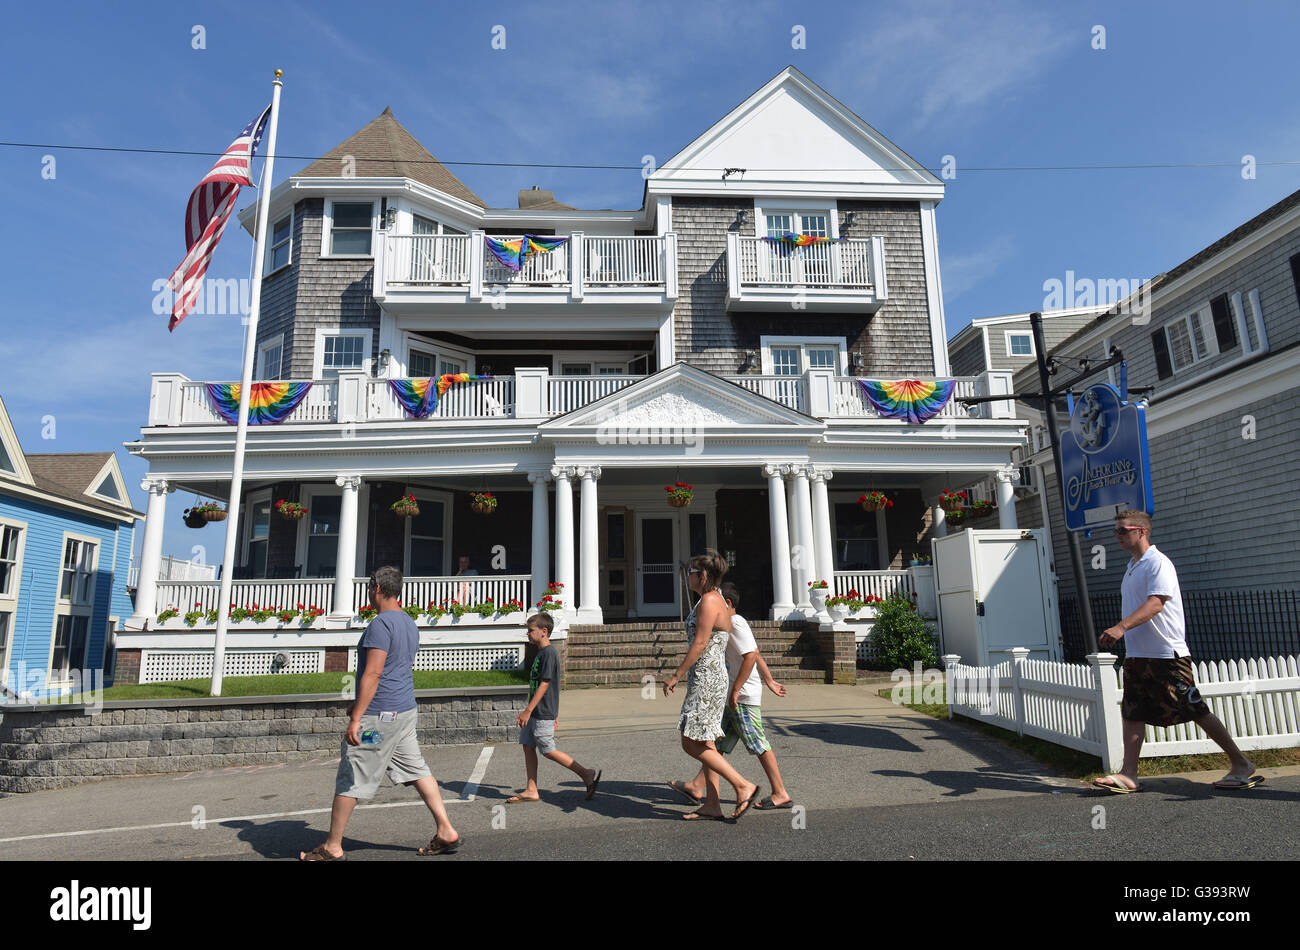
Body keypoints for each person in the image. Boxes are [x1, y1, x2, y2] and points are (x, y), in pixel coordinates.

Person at [300, 566, 460, 860]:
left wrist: (358, 717)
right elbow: (394, 669)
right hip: (404, 713)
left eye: (369, 588)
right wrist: (359, 702)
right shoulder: (409, 622)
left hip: (380, 721)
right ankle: (446, 829)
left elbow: (373, 673)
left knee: (352, 772)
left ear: (376, 588)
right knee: (416, 770)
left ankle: (333, 847)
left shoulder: (380, 624)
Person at [1094, 511, 1261, 793]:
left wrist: (1121, 628)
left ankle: (1241, 764)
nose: (1117, 536)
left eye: (1122, 531)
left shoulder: (1158, 563)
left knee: (1194, 709)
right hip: (1138, 655)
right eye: (1116, 531)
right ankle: (1128, 774)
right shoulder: (1133, 565)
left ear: (1141, 532)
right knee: (1132, 711)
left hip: (1166, 655)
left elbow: (1157, 603)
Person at [670, 582, 792, 810]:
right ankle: (697, 786)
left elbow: (751, 656)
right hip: (730, 696)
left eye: (717, 602)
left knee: (757, 742)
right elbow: (756, 653)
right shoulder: (727, 622)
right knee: (715, 743)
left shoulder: (735, 622)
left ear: (726, 603)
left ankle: (780, 792)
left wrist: (738, 689)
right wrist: (769, 680)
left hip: (742, 697)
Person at [663, 550, 760, 821]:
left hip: (707, 679)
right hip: (710, 677)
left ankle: (743, 785)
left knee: (690, 742)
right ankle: (713, 805)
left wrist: (676, 675)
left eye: (691, 572)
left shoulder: (708, 601)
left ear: (703, 575)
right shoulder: (712, 600)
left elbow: (701, 643)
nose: (688, 576)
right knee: (705, 741)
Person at [506, 612, 601, 803]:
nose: (527, 634)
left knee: (547, 749)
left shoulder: (549, 653)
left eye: (530, 630)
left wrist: (528, 710)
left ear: (544, 631)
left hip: (541, 712)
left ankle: (586, 773)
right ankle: (532, 789)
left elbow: (545, 684)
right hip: (537, 711)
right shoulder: (540, 653)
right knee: (527, 745)